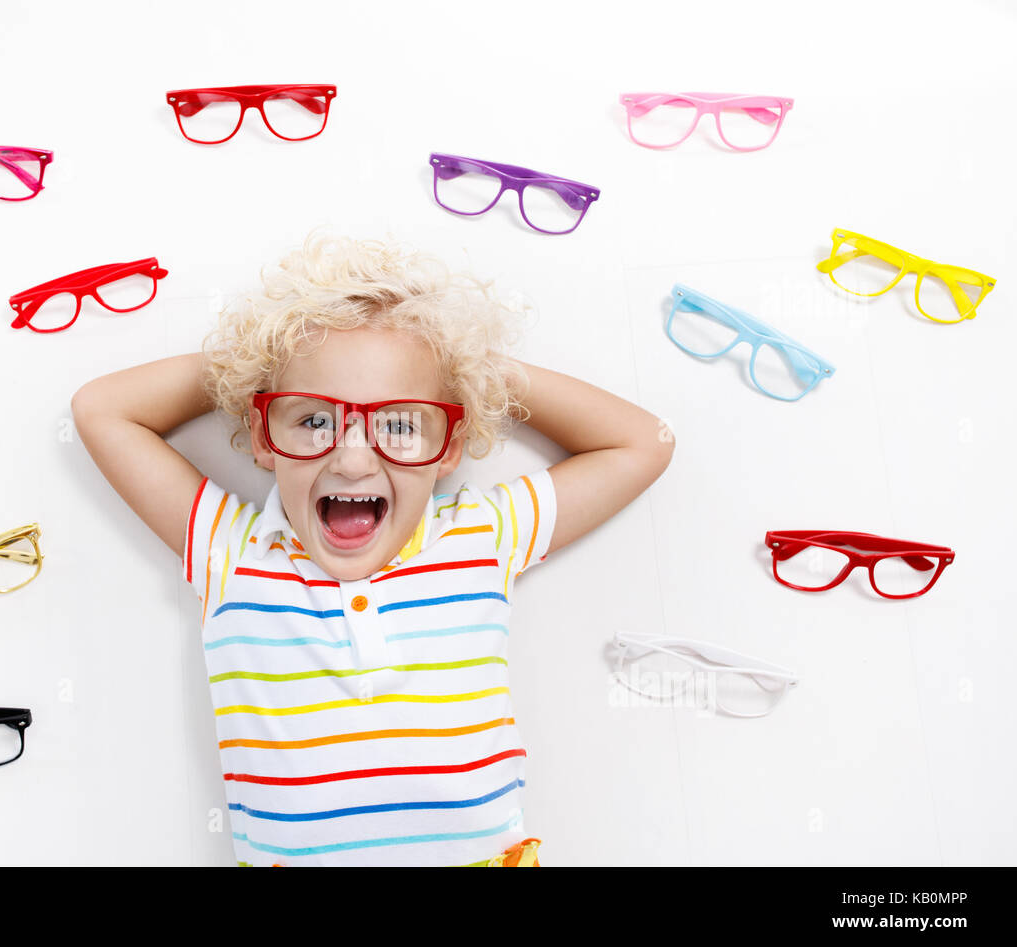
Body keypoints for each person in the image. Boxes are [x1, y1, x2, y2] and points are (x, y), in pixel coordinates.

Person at [71, 234, 674, 865]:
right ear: (262, 436)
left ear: (449, 448)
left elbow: (644, 443)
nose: (353, 458)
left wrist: (466, 367)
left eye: (401, 424)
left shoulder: (481, 534)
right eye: (312, 420)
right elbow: (101, 409)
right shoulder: (233, 552)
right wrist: (260, 359)